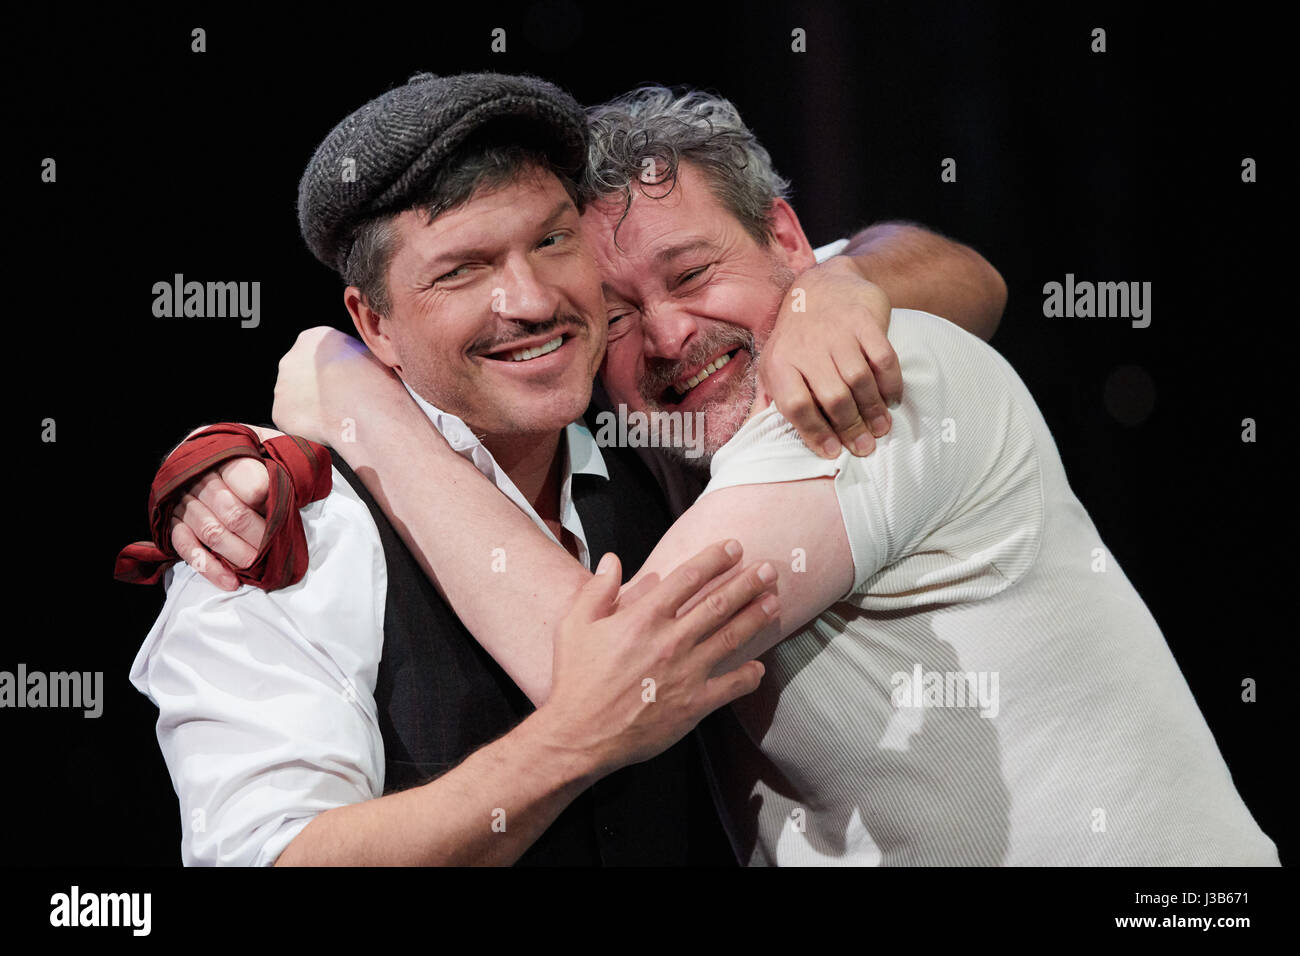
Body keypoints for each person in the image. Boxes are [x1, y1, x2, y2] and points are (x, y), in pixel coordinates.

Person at [190, 84, 1280, 866]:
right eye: (617, 313)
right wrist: (225, 466)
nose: (667, 334)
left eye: (694, 272)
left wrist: (357, 401)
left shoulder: (876, 382)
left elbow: (617, 674)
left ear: (791, 239)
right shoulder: (645, 453)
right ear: (377, 319)